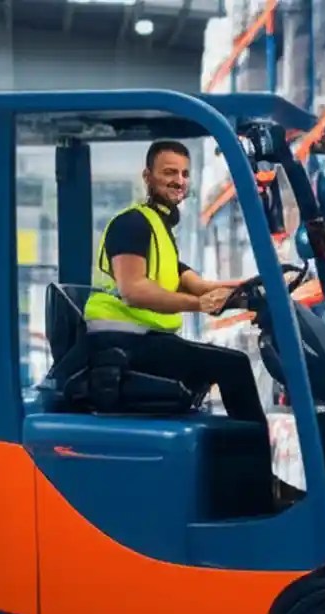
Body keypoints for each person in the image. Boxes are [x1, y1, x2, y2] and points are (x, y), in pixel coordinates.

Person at [81, 139, 267, 424]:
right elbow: (134, 290)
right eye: (169, 173)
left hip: (145, 340)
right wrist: (198, 304)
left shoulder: (161, 232)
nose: (179, 181)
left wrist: (256, 292)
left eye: (184, 174)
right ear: (148, 177)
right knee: (234, 365)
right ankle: (253, 465)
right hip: (120, 345)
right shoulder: (132, 224)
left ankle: (233, 458)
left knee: (222, 364)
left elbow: (202, 286)